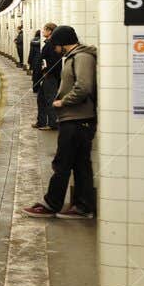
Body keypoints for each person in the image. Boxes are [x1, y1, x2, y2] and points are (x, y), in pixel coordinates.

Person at [23, 25, 96, 219]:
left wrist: (62, 102)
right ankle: (83, 206)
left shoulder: (81, 58)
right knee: (80, 165)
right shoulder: (76, 57)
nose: (55, 49)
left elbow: (83, 87)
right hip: (77, 118)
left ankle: (51, 204)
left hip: (77, 119)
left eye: (56, 44)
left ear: (62, 43)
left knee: (62, 163)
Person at [31, 22, 59, 130]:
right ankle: (41, 122)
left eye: (44, 29)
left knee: (49, 99)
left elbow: (52, 61)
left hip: (50, 76)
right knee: (41, 99)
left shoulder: (52, 44)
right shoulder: (49, 43)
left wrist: (47, 71)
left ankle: (53, 123)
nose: (42, 31)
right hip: (46, 75)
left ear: (50, 31)